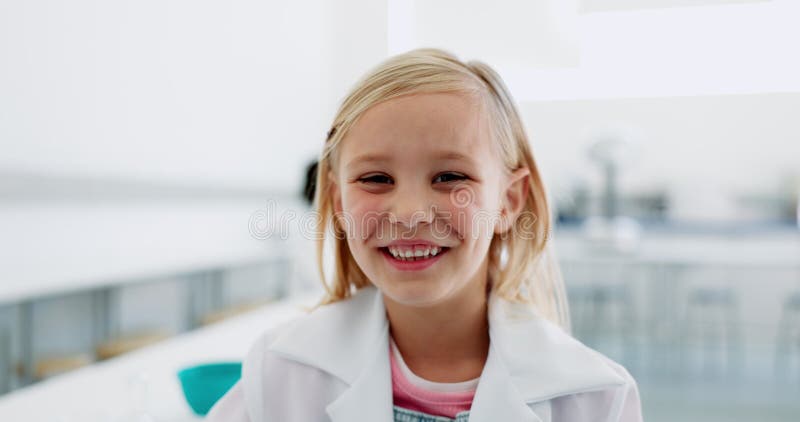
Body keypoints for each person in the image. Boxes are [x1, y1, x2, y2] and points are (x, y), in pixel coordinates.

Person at [206, 48, 643, 422]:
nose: (411, 214)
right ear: (340, 203)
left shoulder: (595, 399)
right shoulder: (280, 371)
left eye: (450, 176)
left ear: (509, 201)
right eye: (376, 178)